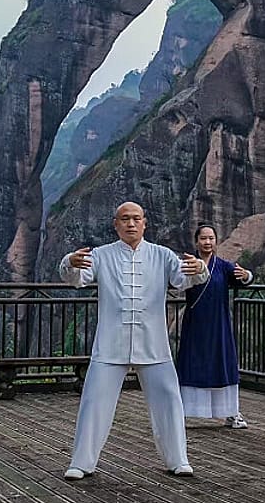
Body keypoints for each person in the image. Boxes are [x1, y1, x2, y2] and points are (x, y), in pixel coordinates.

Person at [58, 201, 209, 479]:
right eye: (125, 218)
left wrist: (199, 267)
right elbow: (76, 279)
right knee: (93, 401)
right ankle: (81, 462)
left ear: (144, 223)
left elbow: (184, 279)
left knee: (169, 399)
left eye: (136, 218)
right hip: (110, 342)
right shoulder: (101, 255)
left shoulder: (162, 255)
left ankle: (178, 459)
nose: (131, 223)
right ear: (115, 224)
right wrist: (69, 262)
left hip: (153, 342)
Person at [176, 223, 253, 428]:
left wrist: (247, 275)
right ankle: (183, 412)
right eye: (203, 238)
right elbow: (176, 281)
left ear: (216, 241)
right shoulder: (189, 263)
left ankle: (231, 413)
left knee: (223, 364)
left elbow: (243, 278)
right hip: (196, 323)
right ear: (196, 242)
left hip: (219, 324)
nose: (207, 242)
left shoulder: (223, 266)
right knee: (192, 364)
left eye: (211, 238)